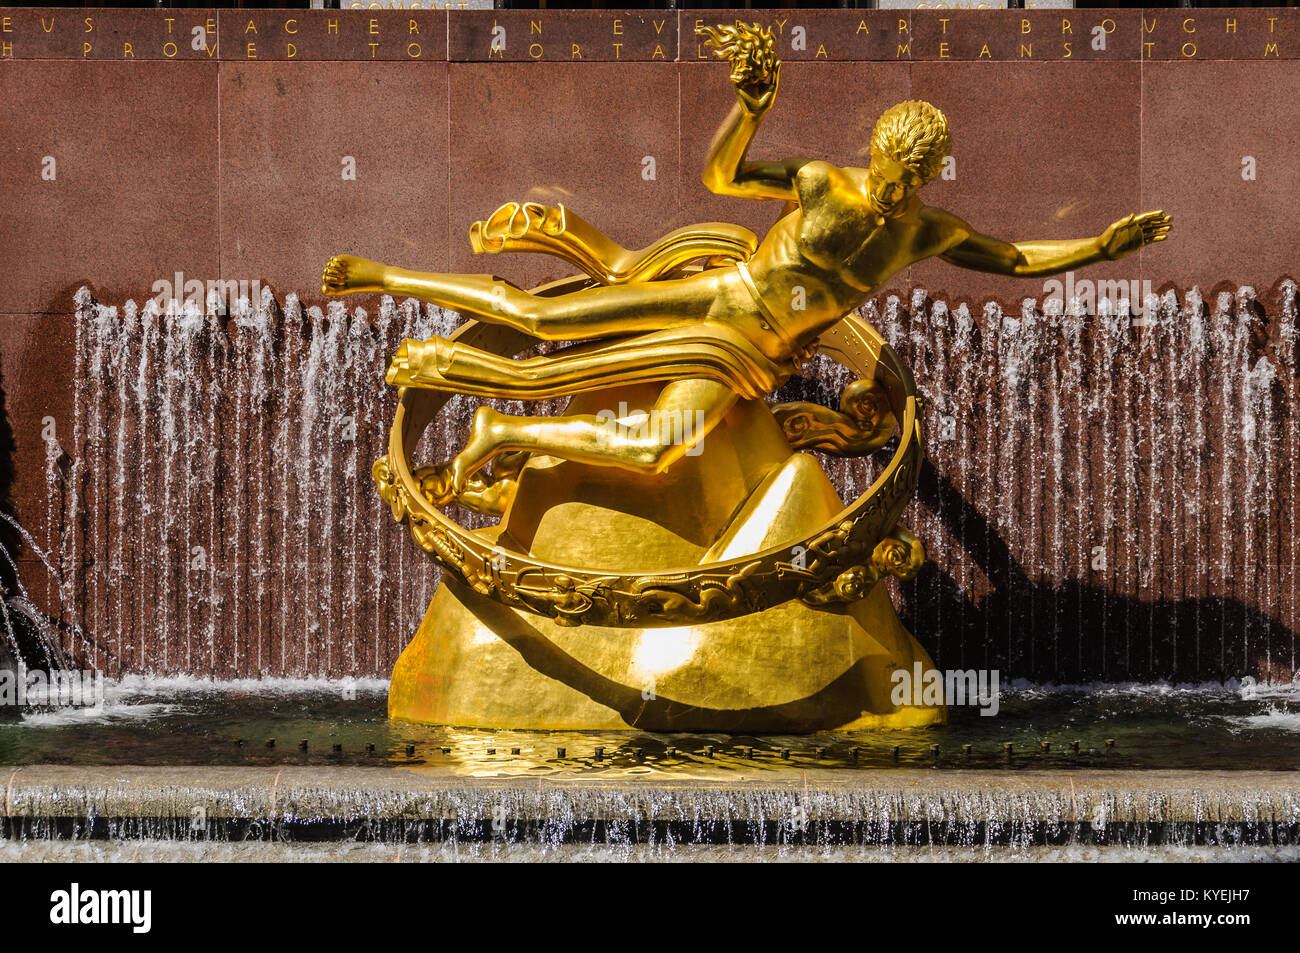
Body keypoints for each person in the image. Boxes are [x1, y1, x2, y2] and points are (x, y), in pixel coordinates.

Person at [323, 22, 1170, 500]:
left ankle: (503, 429)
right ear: (870, 155)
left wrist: (1098, 246)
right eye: (884, 172)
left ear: (925, 179)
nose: (889, 190)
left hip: (753, 360)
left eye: (906, 182)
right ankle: (385, 274)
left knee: (659, 446)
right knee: (539, 315)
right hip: (718, 299)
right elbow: (719, 175)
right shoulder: (818, 182)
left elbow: (1018, 257)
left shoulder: (926, 232)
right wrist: (748, 107)